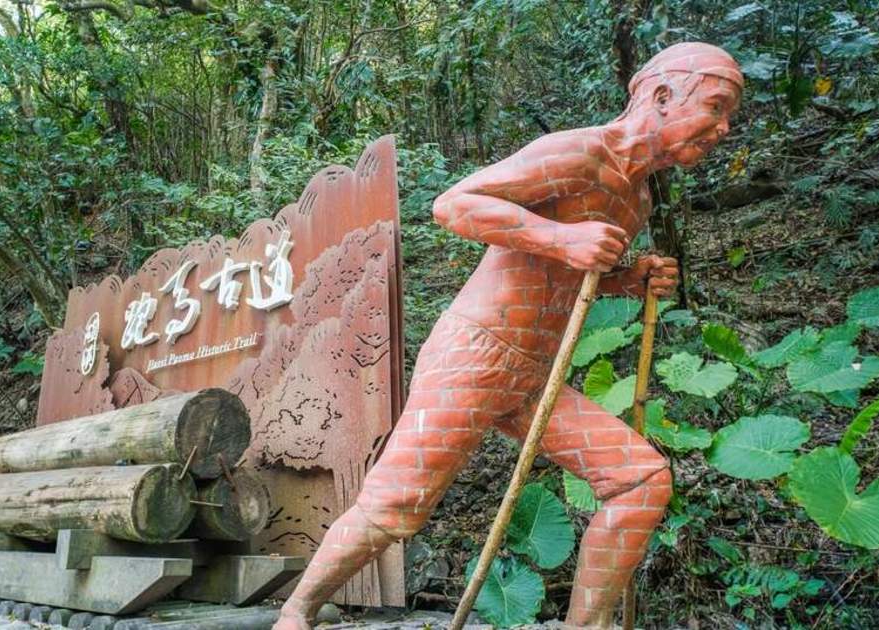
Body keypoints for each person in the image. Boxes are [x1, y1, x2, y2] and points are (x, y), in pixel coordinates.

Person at [274, 42, 744, 630]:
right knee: (397, 507)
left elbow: (568, 272)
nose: (724, 129)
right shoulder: (580, 153)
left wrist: (627, 279)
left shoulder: (637, 198)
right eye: (716, 107)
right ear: (663, 95)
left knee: (640, 481)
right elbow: (456, 205)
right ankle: (296, 610)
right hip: (475, 353)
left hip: (536, 374)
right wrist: (563, 238)